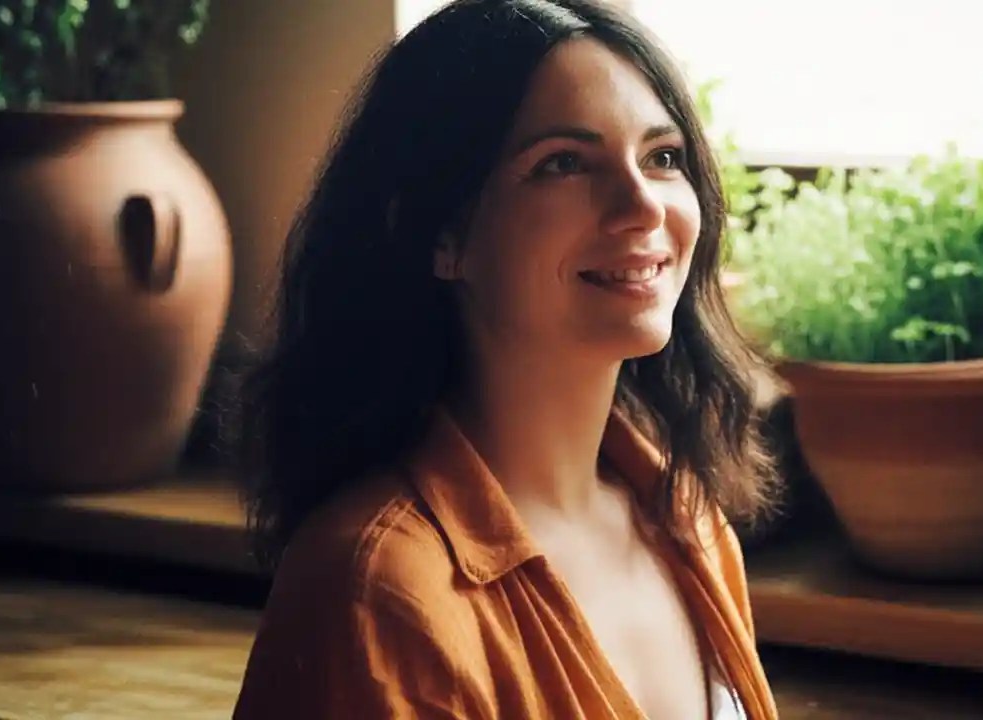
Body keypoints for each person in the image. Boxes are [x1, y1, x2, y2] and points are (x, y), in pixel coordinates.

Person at [231, 0, 781, 717]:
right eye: (563, 164)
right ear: (439, 234)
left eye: (662, 157)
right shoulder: (382, 586)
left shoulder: (687, 519)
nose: (643, 205)